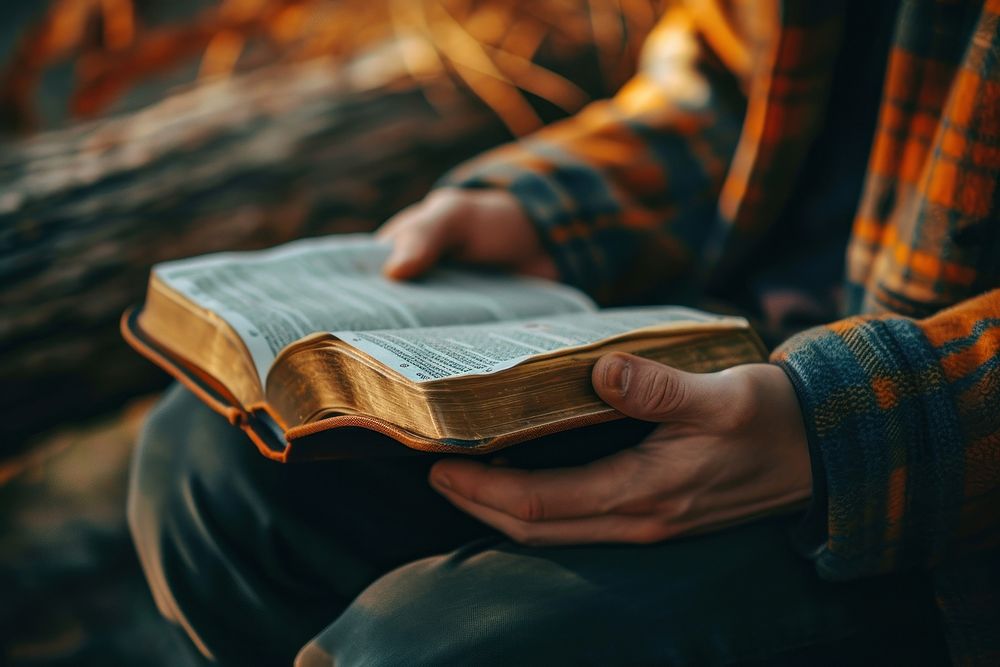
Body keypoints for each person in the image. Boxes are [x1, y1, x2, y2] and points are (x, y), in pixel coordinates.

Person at [128, 0, 999, 665]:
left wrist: (845, 430)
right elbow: (729, 81)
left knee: (432, 645)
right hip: (717, 336)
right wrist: (542, 209)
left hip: (935, 457)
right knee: (208, 470)